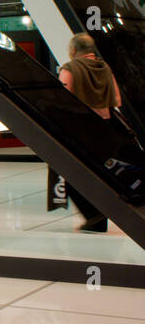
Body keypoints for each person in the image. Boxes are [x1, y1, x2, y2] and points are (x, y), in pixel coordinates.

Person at [58, 33, 123, 232]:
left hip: (80, 129)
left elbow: (61, 98)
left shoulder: (70, 68)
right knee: (101, 174)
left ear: (74, 51)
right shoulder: (104, 68)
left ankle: (94, 217)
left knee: (73, 174)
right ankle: (102, 214)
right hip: (106, 128)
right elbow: (117, 100)